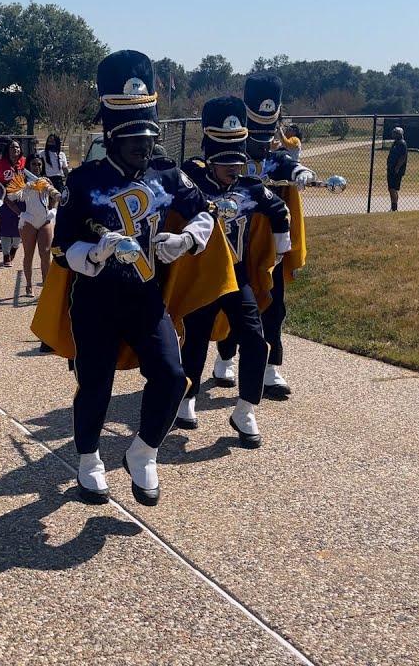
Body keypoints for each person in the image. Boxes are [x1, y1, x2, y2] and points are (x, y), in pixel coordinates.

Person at [34, 50, 229, 507]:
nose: (143, 146)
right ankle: (88, 459)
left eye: (148, 137)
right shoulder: (84, 181)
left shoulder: (167, 173)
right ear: (112, 137)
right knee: (96, 385)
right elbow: (61, 248)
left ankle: (143, 451)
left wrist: (188, 240)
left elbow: (206, 211)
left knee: (173, 376)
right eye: (133, 139)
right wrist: (95, 251)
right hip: (95, 301)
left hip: (146, 296)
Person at [178, 97, 292, 447]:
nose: (233, 168)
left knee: (256, 340)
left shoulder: (250, 188)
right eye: (224, 161)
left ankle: (245, 409)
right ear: (209, 159)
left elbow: (279, 210)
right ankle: (187, 396)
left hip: (236, 275)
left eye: (237, 160)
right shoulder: (193, 183)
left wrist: (280, 247)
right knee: (195, 338)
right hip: (202, 276)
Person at [224, 73, 315, 400]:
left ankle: (270, 367)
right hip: (234, 239)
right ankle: (224, 358)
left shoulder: (276, 155)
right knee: (228, 300)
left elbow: (285, 164)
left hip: (269, 243)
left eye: (266, 134)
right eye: (255, 133)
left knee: (274, 303)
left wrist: (300, 171)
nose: (261, 143)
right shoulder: (228, 156)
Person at [7, 163, 59, 297]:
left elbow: (54, 196)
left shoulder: (46, 181)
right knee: (29, 254)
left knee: (45, 253)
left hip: (45, 220)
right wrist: (20, 213)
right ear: (29, 166)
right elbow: (9, 197)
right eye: (34, 164)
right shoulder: (23, 181)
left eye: (39, 164)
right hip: (29, 221)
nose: (37, 167)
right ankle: (29, 285)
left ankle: (46, 285)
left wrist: (53, 210)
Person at [0, 138, 25, 268]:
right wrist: (2, 195)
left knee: (19, 229)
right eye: (12, 147)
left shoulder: (24, 162)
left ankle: (13, 250)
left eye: (17, 147)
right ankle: (6, 255)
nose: (15, 149)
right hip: (5, 200)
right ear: (7, 150)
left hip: (21, 200)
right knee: (5, 229)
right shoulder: (0, 164)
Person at [387, 126, 407, 211]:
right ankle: (394, 207)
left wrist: (397, 167)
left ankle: (394, 208)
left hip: (396, 170)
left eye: (395, 133)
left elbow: (403, 157)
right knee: (392, 188)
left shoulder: (402, 143)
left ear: (399, 134)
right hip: (392, 168)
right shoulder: (396, 143)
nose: (393, 134)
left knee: (392, 188)